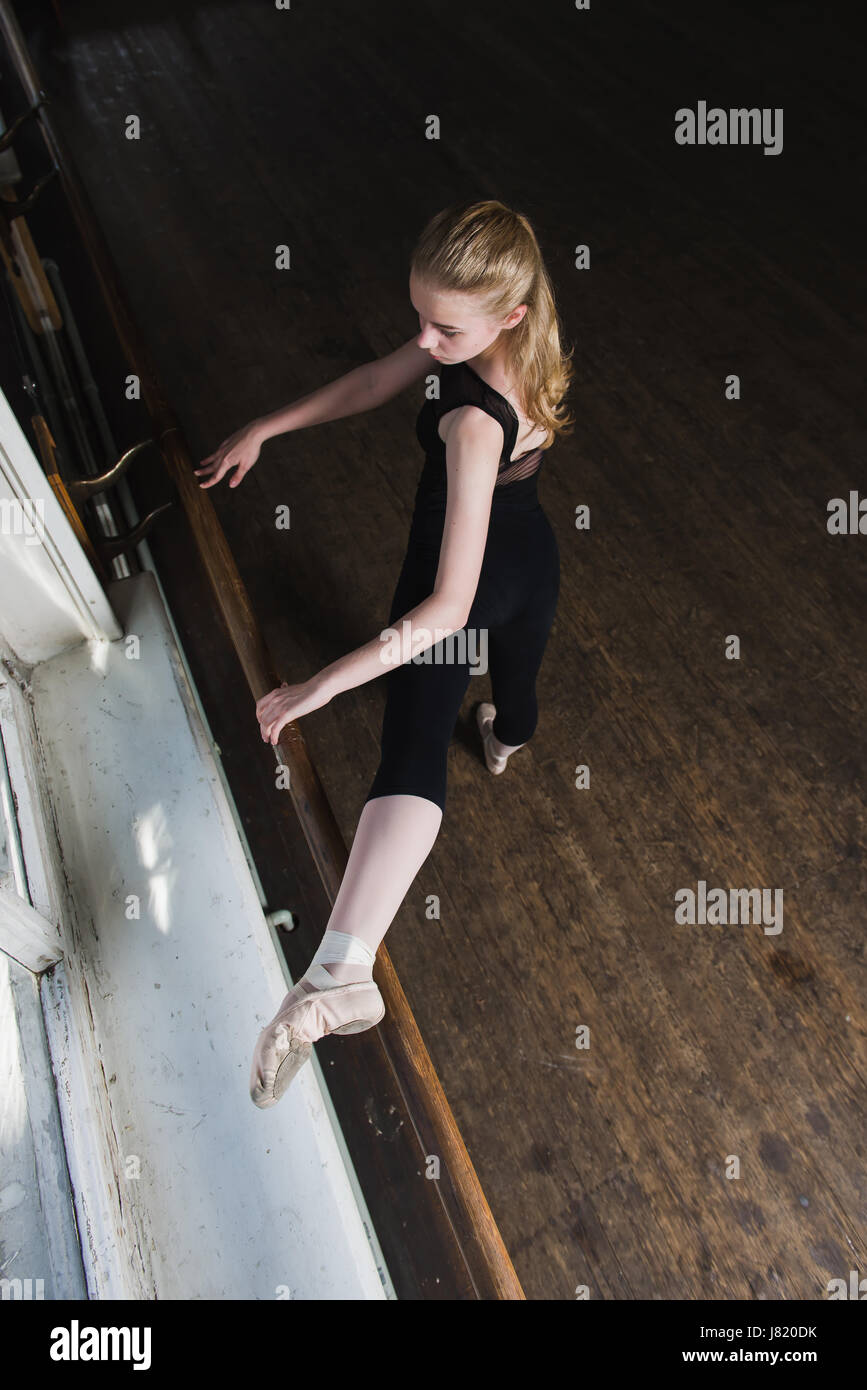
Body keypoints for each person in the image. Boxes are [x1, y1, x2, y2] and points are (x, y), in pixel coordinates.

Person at [195, 200, 574, 1107]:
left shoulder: (473, 418)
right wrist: (268, 426)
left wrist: (321, 686)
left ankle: (342, 969)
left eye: (442, 326)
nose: (424, 340)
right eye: (420, 317)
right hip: (529, 564)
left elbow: (446, 607)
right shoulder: (507, 345)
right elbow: (374, 379)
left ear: (507, 314)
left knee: (410, 742)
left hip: (460, 580)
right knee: (512, 702)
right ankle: (504, 741)